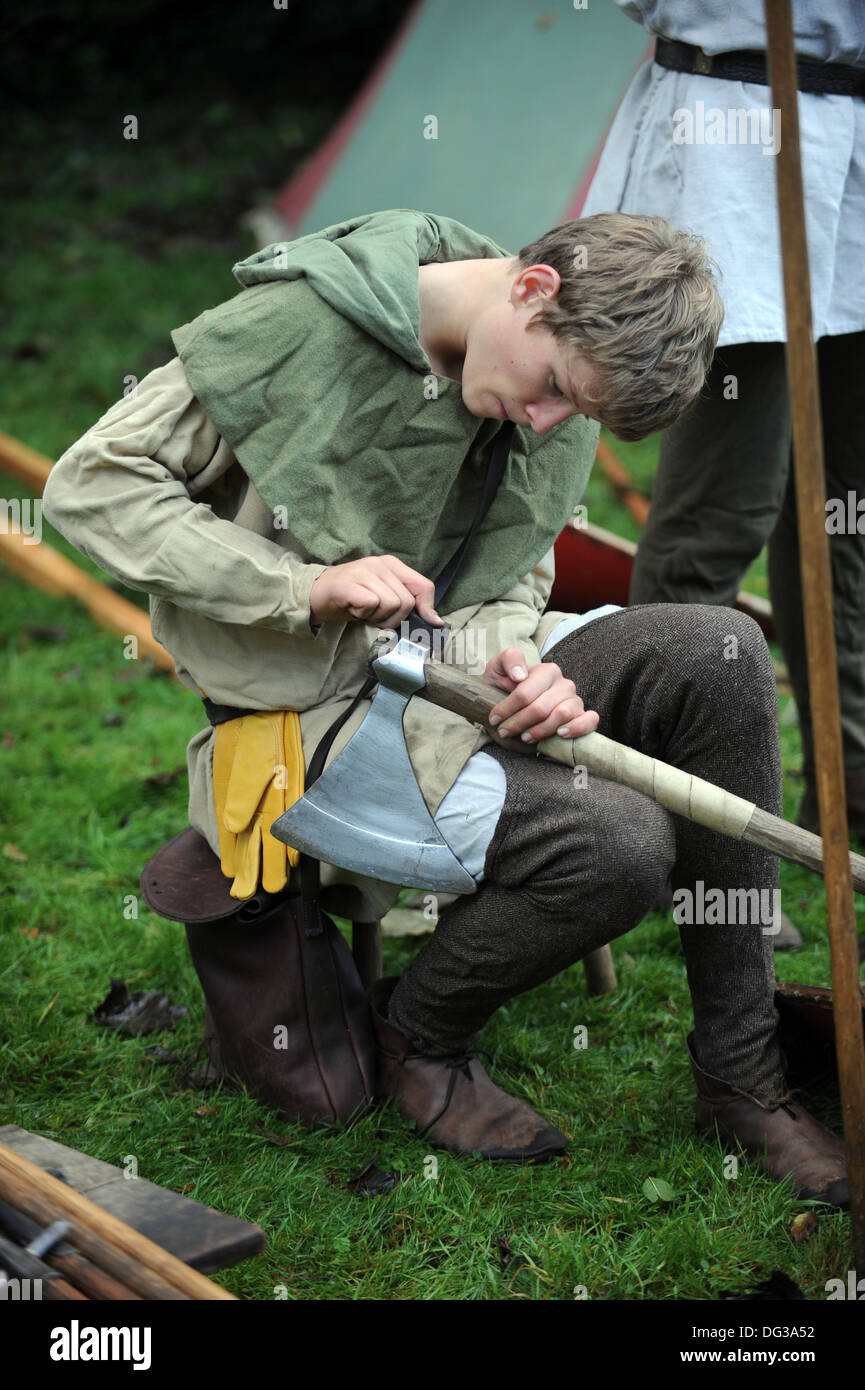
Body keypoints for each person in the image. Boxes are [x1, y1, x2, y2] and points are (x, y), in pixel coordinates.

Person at [42, 208, 848, 1206]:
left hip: (452, 677)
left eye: (576, 413)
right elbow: (89, 484)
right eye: (554, 389)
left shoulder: (538, 383)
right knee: (621, 843)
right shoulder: (299, 324)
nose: (550, 422)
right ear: (532, 290)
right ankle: (419, 1033)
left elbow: (519, 564)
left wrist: (517, 662)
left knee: (721, 646)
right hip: (306, 723)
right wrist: (302, 590)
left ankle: (743, 1074)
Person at [580, 0, 865, 856]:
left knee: (845, 518)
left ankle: (849, 806)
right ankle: (681, 826)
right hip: (731, 148)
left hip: (855, 162)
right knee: (719, 514)